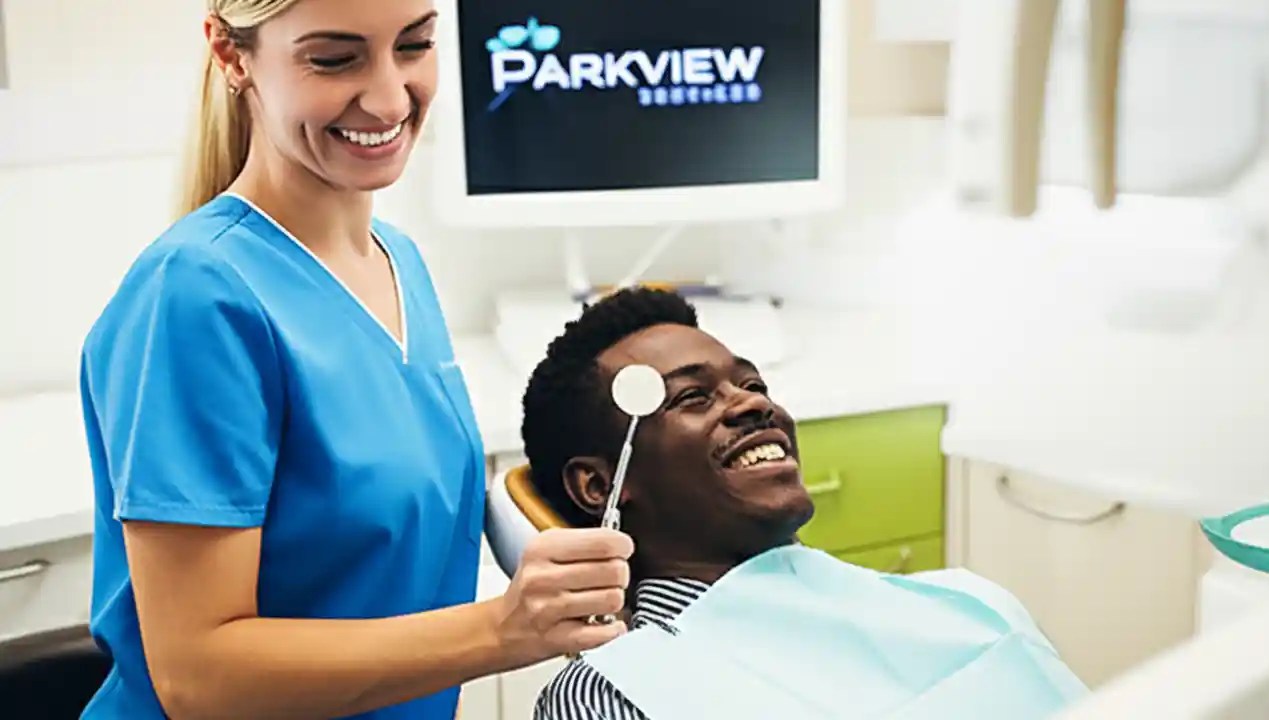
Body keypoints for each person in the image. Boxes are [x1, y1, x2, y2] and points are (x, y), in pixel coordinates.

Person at [76, 1, 631, 718]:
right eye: (335, 59)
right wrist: (504, 627)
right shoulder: (195, 297)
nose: (389, 97)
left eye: (415, 45)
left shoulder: (398, 262)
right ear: (230, 54)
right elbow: (199, 678)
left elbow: (368, 518)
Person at [520, 288, 1085, 720]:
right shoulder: (611, 692)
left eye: (755, 385)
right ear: (599, 488)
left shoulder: (968, 604)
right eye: (692, 397)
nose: (750, 405)